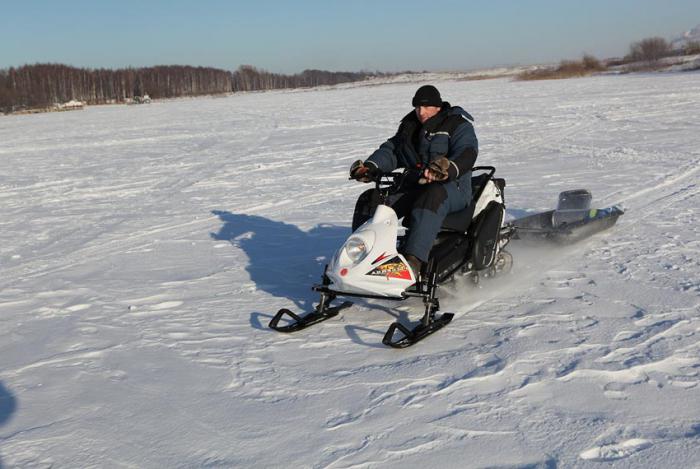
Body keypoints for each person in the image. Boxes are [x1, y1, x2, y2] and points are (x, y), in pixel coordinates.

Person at [349, 85, 478, 278]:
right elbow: (392, 150)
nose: (421, 112)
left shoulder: (456, 125)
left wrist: (447, 169)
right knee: (374, 199)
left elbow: (467, 152)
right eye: (417, 107)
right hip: (416, 185)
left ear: (438, 107)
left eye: (426, 107)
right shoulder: (410, 126)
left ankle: (413, 263)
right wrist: (371, 167)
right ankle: (360, 255)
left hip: (452, 188)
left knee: (430, 197)